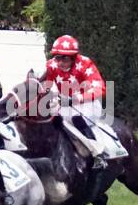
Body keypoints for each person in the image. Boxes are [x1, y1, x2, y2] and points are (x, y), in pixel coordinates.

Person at [42, 35, 111, 170]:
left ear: (74, 58)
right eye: (57, 57)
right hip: (65, 102)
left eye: (65, 58)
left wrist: (75, 99)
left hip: (88, 103)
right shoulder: (51, 65)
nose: (60, 62)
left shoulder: (85, 64)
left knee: (75, 118)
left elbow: (100, 89)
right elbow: (47, 85)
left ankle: (98, 153)